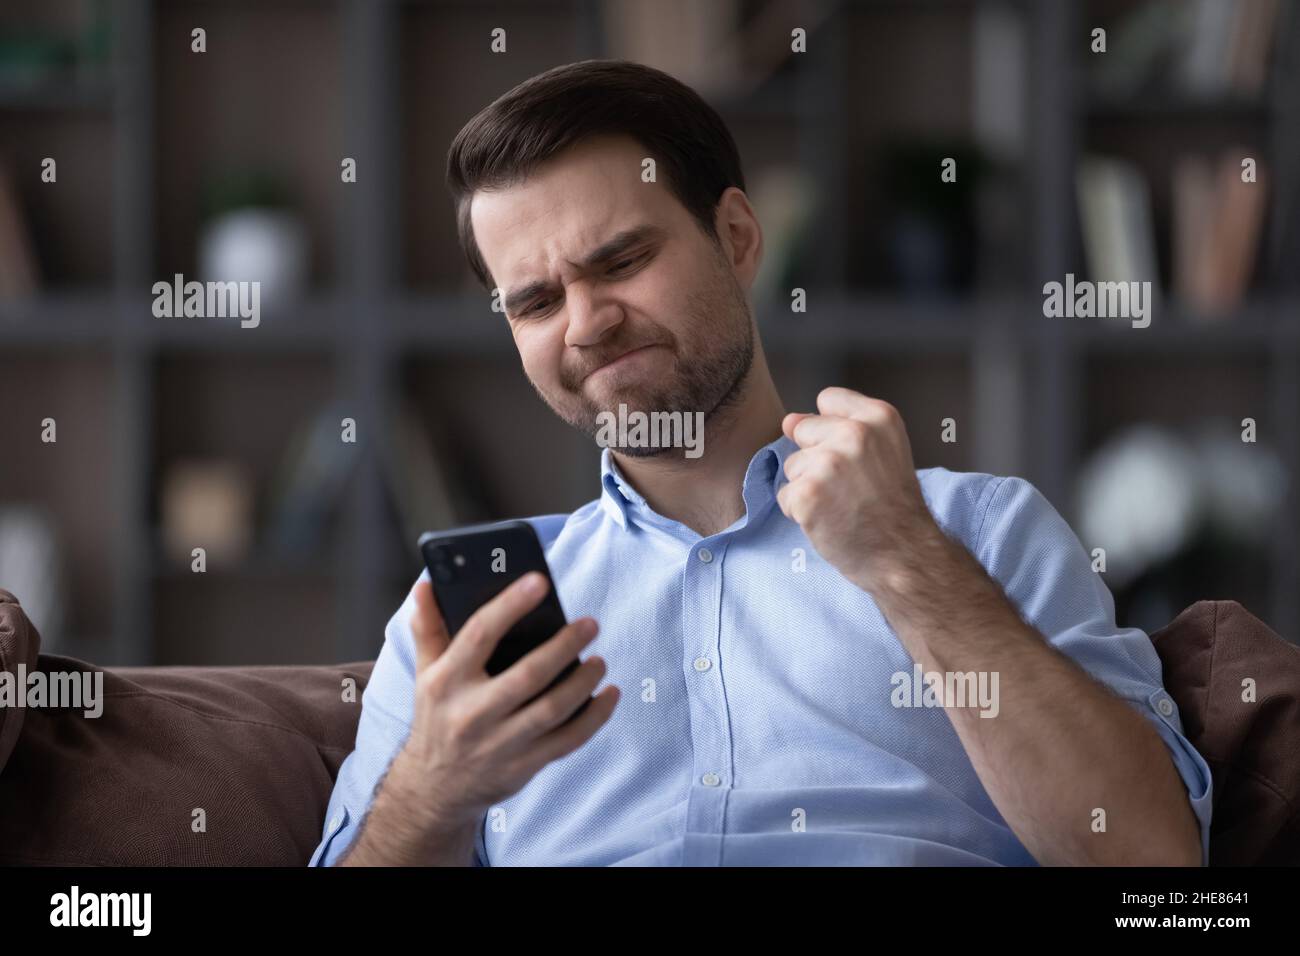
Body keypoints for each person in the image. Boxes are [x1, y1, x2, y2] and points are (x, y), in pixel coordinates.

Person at [310, 59, 1211, 867]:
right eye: (537, 302)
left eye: (622, 260)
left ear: (738, 237)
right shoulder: (456, 627)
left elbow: (1154, 863)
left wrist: (907, 562)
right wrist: (437, 786)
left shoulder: (977, 532)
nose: (587, 324)